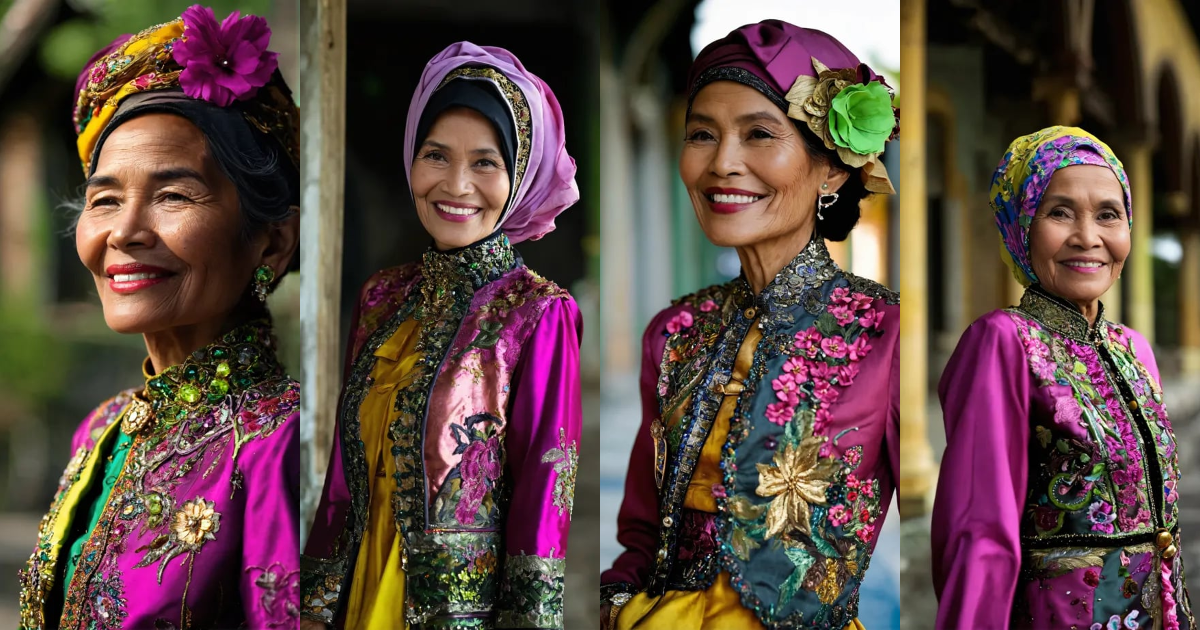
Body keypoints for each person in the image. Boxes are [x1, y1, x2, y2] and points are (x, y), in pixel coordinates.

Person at [600, 19, 900, 630]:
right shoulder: (675, 330)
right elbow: (639, 530)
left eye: (759, 134)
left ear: (834, 171)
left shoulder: (886, 333)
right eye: (701, 134)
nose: (722, 164)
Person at [18, 6, 302, 628]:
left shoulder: (284, 443)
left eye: (174, 195)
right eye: (106, 199)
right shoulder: (102, 430)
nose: (124, 232)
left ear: (272, 242)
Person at [300, 42, 582, 630]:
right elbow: (340, 486)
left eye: (485, 162)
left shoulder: (538, 313)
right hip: (353, 597)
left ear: (521, 177)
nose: (456, 184)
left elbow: (543, 499)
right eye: (436, 155)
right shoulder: (381, 298)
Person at [932, 126, 1194, 629]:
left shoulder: (1133, 349)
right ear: (1021, 224)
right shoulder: (1003, 341)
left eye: (1108, 215)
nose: (1088, 237)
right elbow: (979, 532)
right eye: (1059, 212)